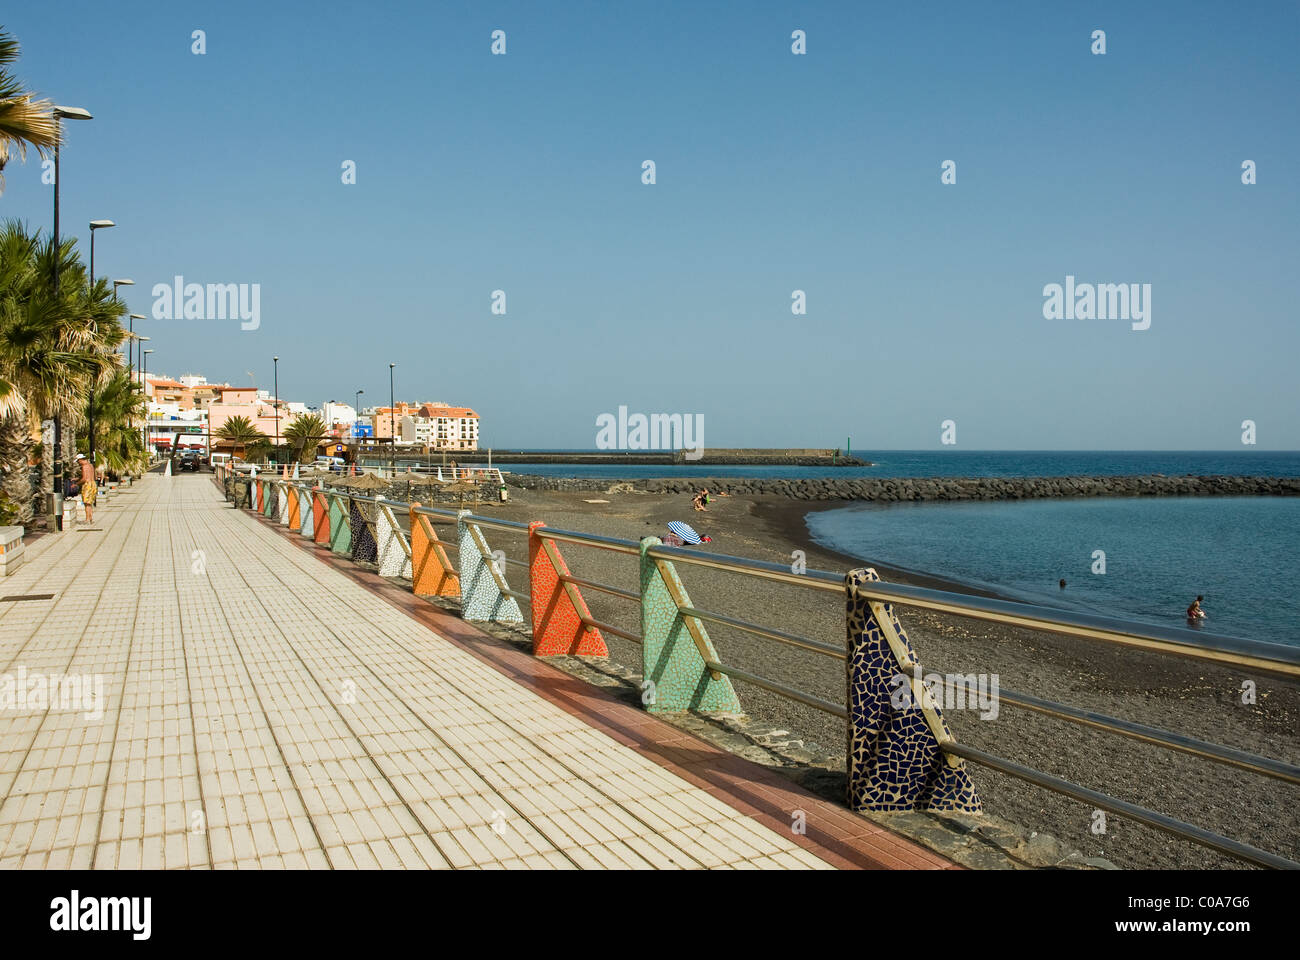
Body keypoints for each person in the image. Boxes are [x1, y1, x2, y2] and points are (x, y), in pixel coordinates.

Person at [76, 453, 97, 523]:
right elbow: (91, 476)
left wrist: (77, 484)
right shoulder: (90, 465)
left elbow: (84, 478)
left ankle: (87, 519)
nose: (78, 463)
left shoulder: (84, 467)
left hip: (87, 485)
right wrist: (77, 478)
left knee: (86, 503)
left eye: (78, 461)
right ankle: (90, 518)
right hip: (93, 483)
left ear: (81, 460)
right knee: (89, 503)